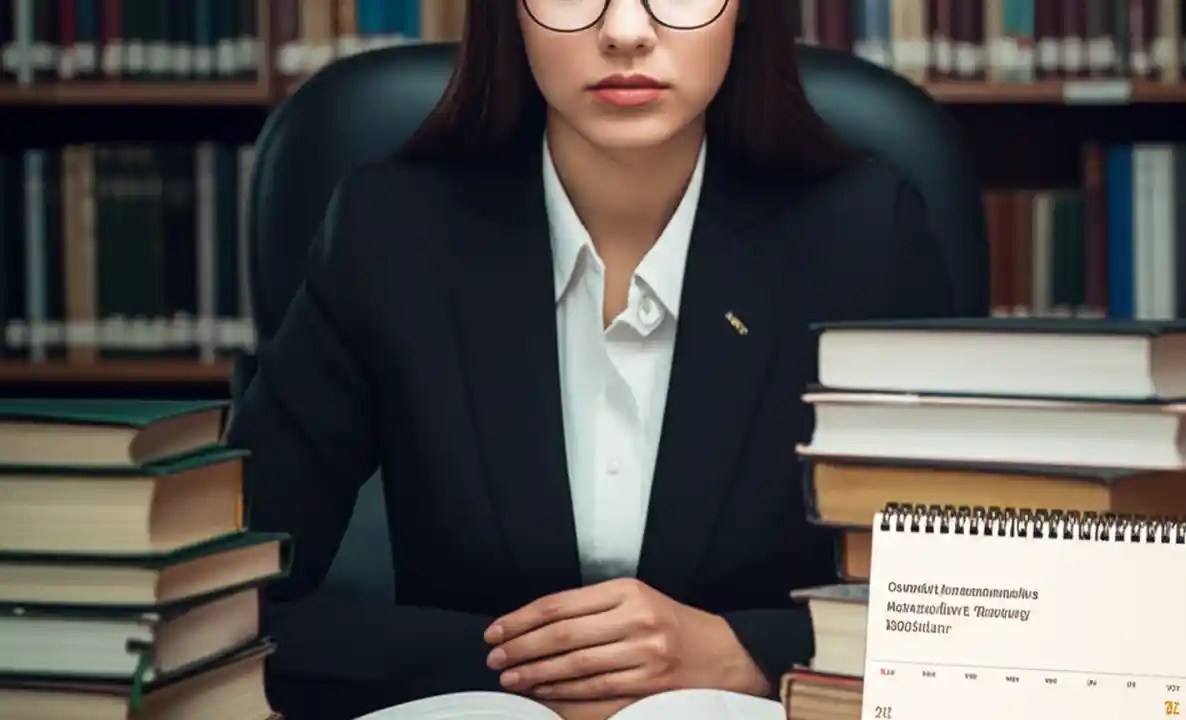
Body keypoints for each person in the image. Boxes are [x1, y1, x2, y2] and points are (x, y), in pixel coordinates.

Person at [223, 0, 962, 714]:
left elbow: (967, 607)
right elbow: (226, 600)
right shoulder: (391, 233)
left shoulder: (866, 237)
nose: (626, 31)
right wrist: (531, 670)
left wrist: (747, 653)